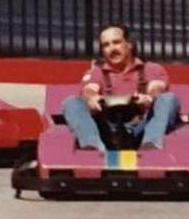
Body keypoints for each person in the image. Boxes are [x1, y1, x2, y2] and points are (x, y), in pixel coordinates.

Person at [61, 23, 178, 152]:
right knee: (72, 102)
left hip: (142, 127)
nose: (111, 49)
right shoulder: (97, 72)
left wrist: (148, 98)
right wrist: (92, 99)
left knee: (168, 98)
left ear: (129, 44)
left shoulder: (152, 69)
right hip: (106, 128)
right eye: (106, 45)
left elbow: (157, 88)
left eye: (116, 42)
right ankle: (92, 148)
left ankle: (150, 146)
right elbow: (89, 89)